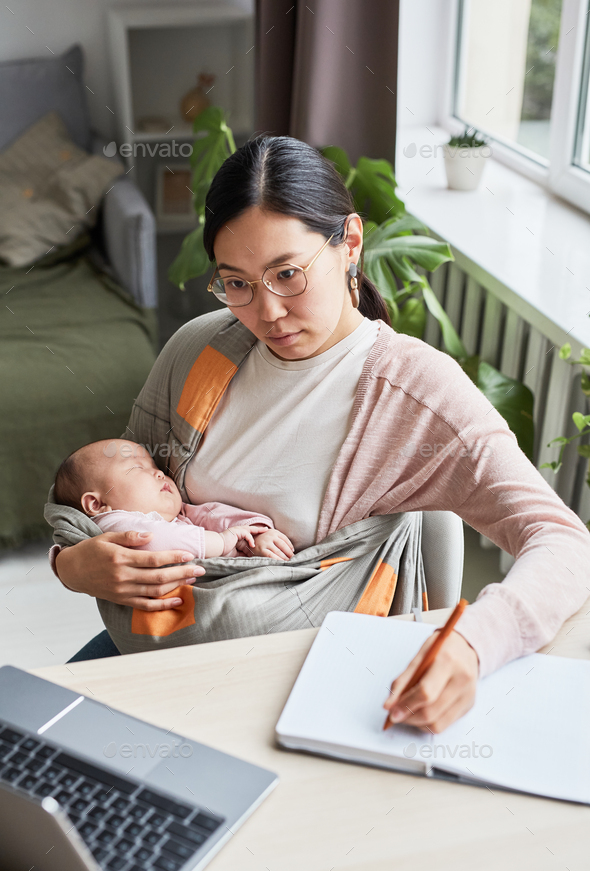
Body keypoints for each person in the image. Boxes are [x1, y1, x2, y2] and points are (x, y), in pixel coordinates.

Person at [49, 135, 590, 734]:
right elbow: (112, 494)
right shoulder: (200, 350)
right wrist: (72, 567)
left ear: (350, 242)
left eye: (287, 274)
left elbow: (564, 542)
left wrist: (472, 644)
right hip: (155, 656)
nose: (267, 312)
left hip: (298, 692)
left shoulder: (413, 394)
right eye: (237, 283)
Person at [53, 438, 295, 560]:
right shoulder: (113, 524)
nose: (159, 472)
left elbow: (212, 515)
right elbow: (159, 540)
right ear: (96, 505)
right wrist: (224, 541)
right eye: (137, 469)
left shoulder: (179, 517)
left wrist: (252, 536)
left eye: (155, 465)